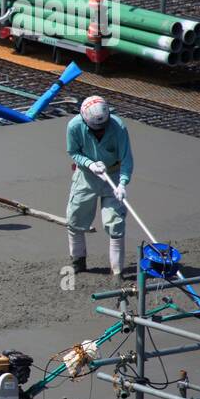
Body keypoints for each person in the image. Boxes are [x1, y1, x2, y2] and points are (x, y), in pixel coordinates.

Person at [66, 95, 134, 281]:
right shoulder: (74, 126)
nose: (99, 131)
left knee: (115, 223)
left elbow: (126, 158)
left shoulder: (118, 127)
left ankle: (117, 271)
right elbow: (73, 152)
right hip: (86, 176)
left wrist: (122, 183)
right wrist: (89, 164)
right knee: (75, 218)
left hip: (112, 175)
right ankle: (78, 261)